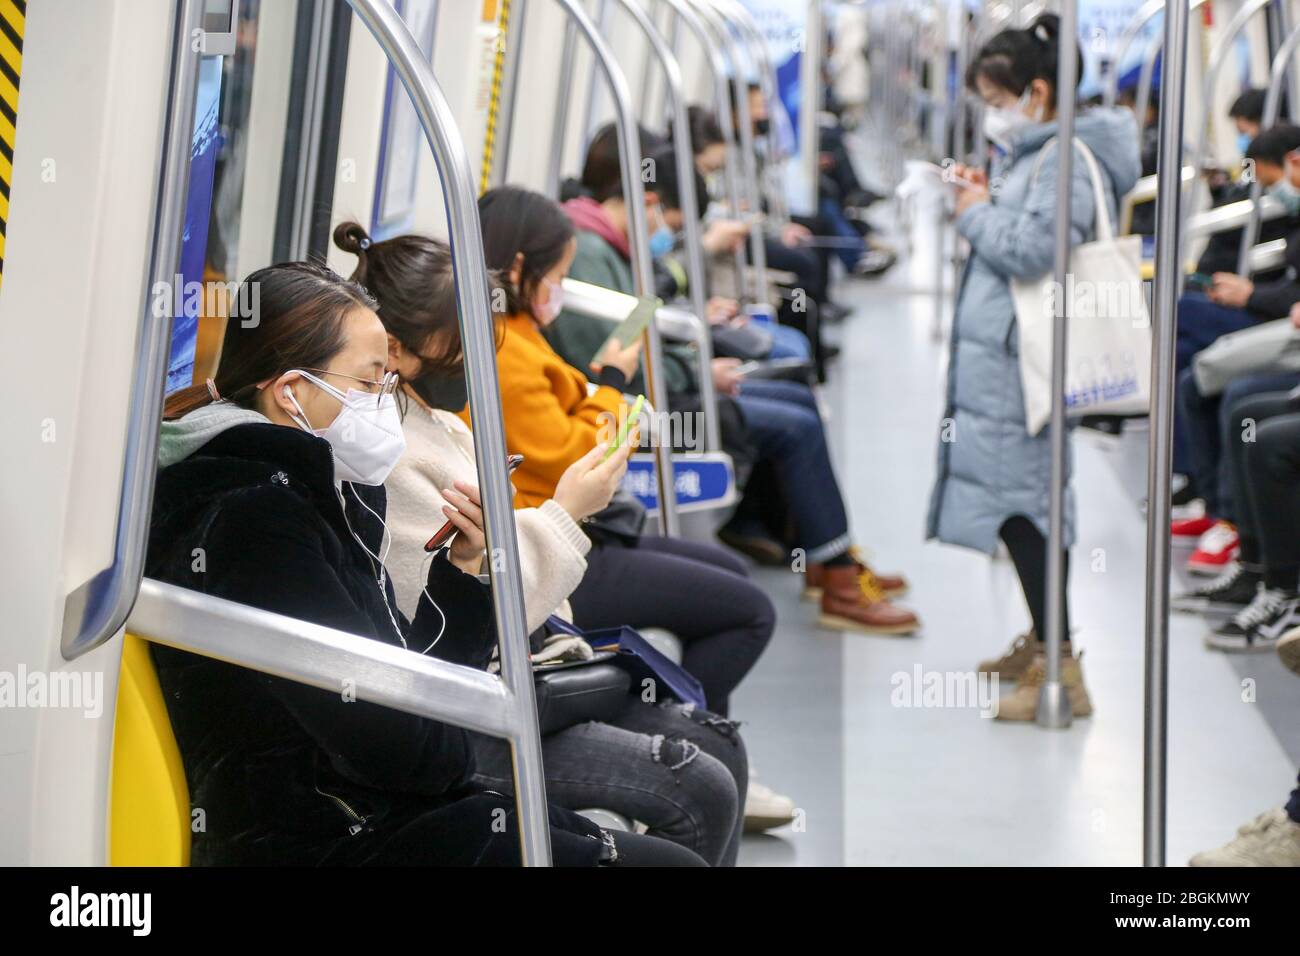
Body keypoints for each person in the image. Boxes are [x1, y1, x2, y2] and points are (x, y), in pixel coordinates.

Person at [148, 261, 703, 867]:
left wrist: (461, 573)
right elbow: (405, 751)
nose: (384, 405)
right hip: (322, 838)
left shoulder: (325, 492)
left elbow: (409, 695)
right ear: (291, 392)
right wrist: (449, 750)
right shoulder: (260, 523)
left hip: (369, 810)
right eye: (368, 384)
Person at [334, 222, 753, 864]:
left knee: (718, 748)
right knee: (698, 785)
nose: (477, 361)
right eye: (462, 345)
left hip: (523, 660)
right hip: (470, 708)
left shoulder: (441, 421)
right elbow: (464, 612)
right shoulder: (383, 453)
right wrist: (566, 513)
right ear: (396, 349)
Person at [545, 130, 920, 635]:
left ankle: (821, 555)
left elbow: (638, 329)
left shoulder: (610, 244)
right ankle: (837, 581)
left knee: (796, 400)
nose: (667, 238)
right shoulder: (591, 253)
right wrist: (701, 370)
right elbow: (617, 355)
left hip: (660, 392)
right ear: (649, 202)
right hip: (644, 415)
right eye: (672, 226)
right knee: (794, 427)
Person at [929, 14, 1140, 719]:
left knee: (1031, 509)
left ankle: (1063, 664)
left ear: (1039, 92)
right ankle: (1046, 640)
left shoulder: (1064, 161)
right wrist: (986, 196)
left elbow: (1032, 250)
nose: (992, 113)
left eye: (998, 98)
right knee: (1016, 502)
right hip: (1005, 359)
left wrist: (973, 211)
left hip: (1028, 365)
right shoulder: (1037, 154)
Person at [1170, 124, 1300, 574]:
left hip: (1280, 321)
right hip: (1283, 317)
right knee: (1189, 365)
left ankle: (1248, 547)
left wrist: (1251, 296)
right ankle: (1213, 504)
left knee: (1236, 398)